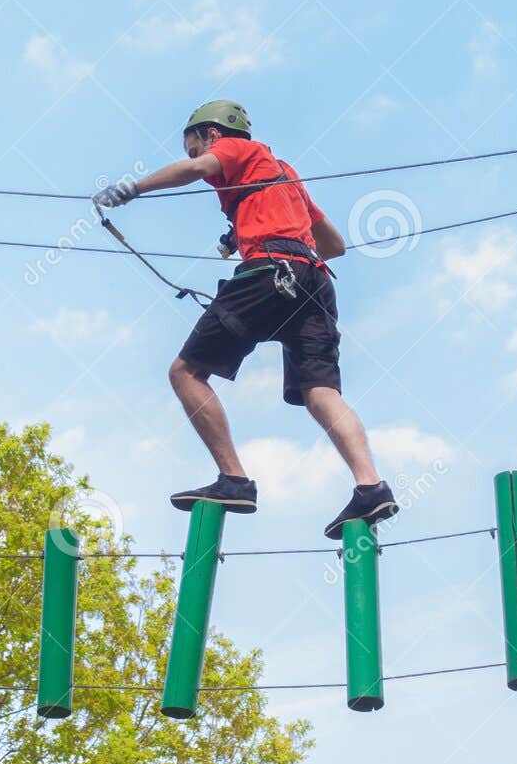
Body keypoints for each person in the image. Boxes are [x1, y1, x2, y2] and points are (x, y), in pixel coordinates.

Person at [93, 99, 398, 540]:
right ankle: (371, 486)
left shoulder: (237, 150)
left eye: (195, 147)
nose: (199, 159)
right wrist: (249, 226)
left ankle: (234, 479)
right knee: (321, 393)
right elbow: (333, 245)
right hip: (315, 282)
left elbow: (194, 171)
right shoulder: (283, 171)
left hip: (270, 275)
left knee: (185, 373)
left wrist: (134, 189)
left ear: (212, 135)